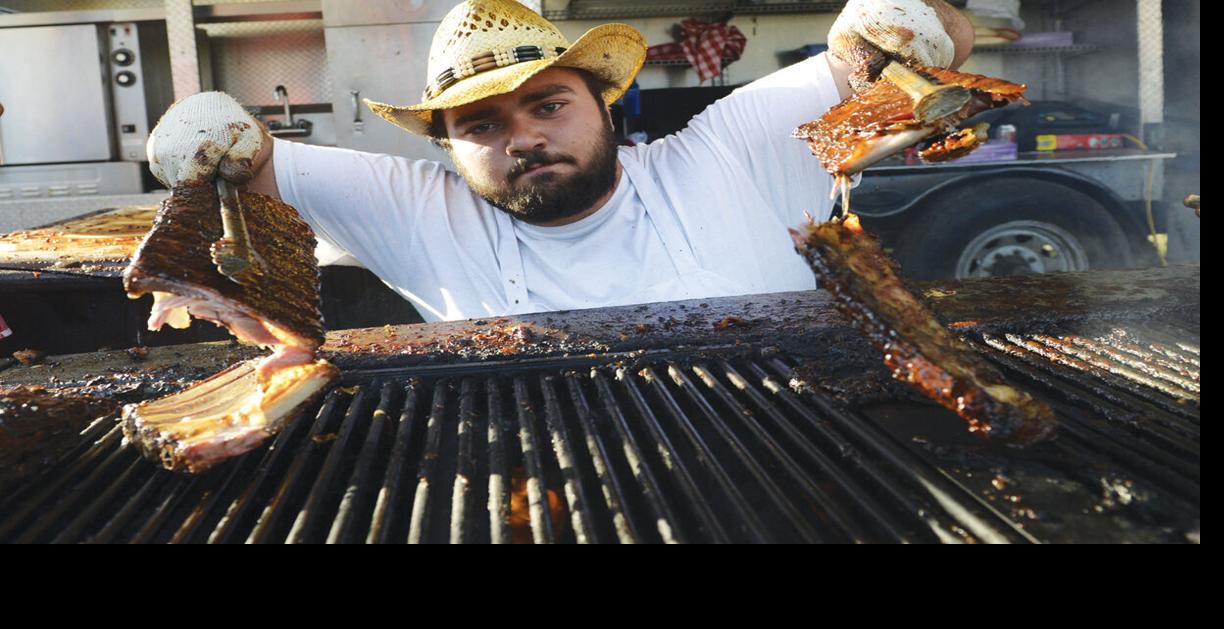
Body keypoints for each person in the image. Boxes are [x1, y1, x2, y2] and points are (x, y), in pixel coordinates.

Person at [147, 0, 973, 323]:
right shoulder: (419, 207)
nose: (524, 139)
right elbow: (243, 156)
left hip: (794, 472)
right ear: (445, 144)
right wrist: (204, 132)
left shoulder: (725, 153)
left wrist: (901, 25)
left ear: (602, 104)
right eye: (482, 123)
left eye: (548, 105)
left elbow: (929, 44)